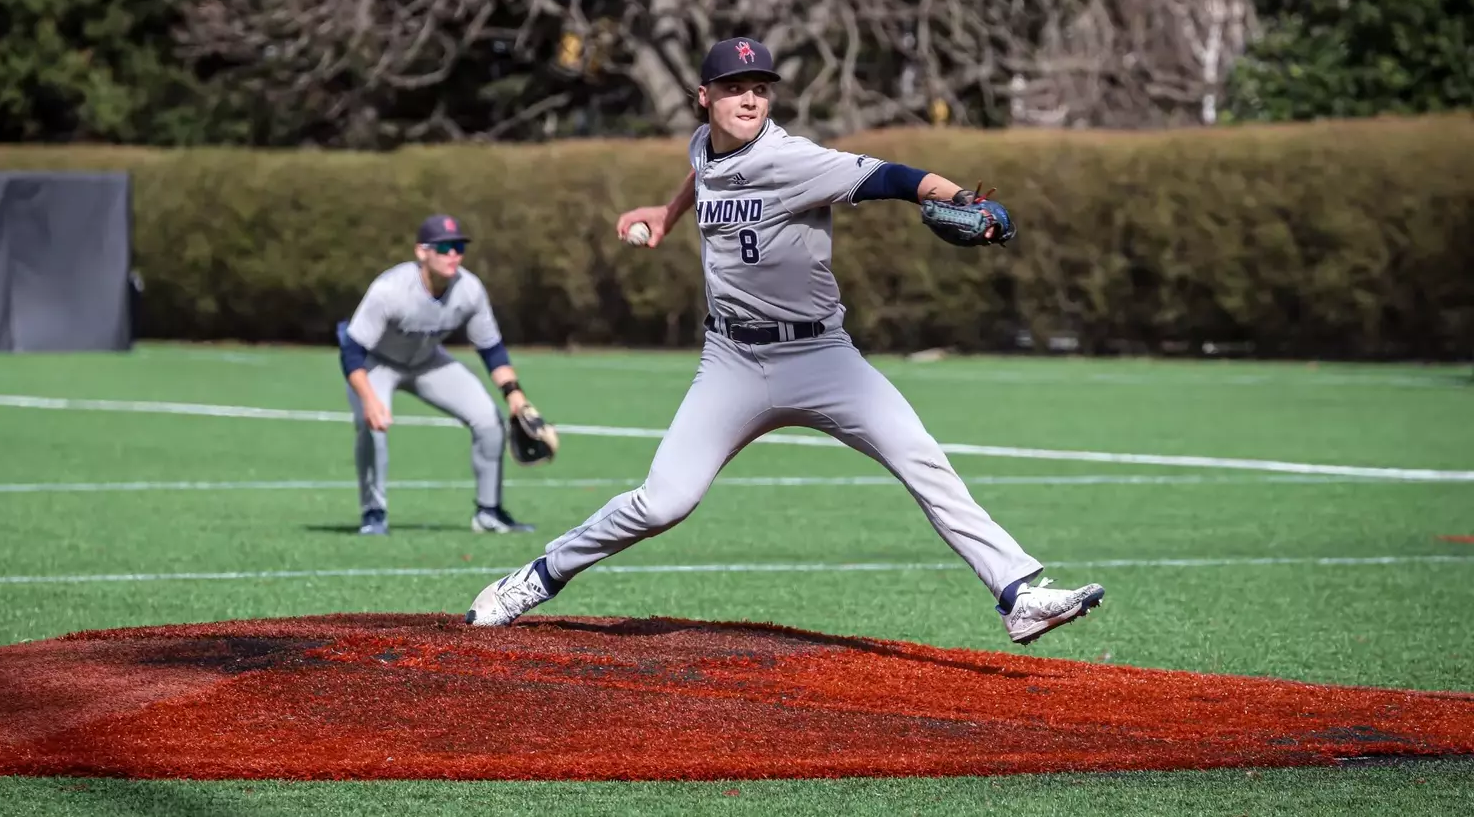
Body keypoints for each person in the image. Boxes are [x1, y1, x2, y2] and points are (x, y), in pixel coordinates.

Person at [466, 37, 1103, 644]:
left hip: (822, 358)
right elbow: (703, 174)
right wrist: (664, 216)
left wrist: (961, 196)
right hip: (732, 361)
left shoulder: (792, 159)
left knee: (919, 455)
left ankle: (1019, 593)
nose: (749, 99)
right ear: (704, 97)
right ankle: (537, 577)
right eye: (734, 87)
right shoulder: (704, 146)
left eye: (760, 89)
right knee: (664, 503)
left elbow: (892, 176)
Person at [337, 214, 537, 535]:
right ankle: (374, 514)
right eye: (444, 247)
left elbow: (491, 349)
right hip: (377, 363)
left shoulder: (469, 289)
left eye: (459, 247)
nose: (453, 255)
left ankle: (489, 512)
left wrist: (514, 394)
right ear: (422, 252)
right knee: (371, 424)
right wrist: (369, 400)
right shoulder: (390, 290)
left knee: (489, 420)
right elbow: (351, 351)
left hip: (428, 361)